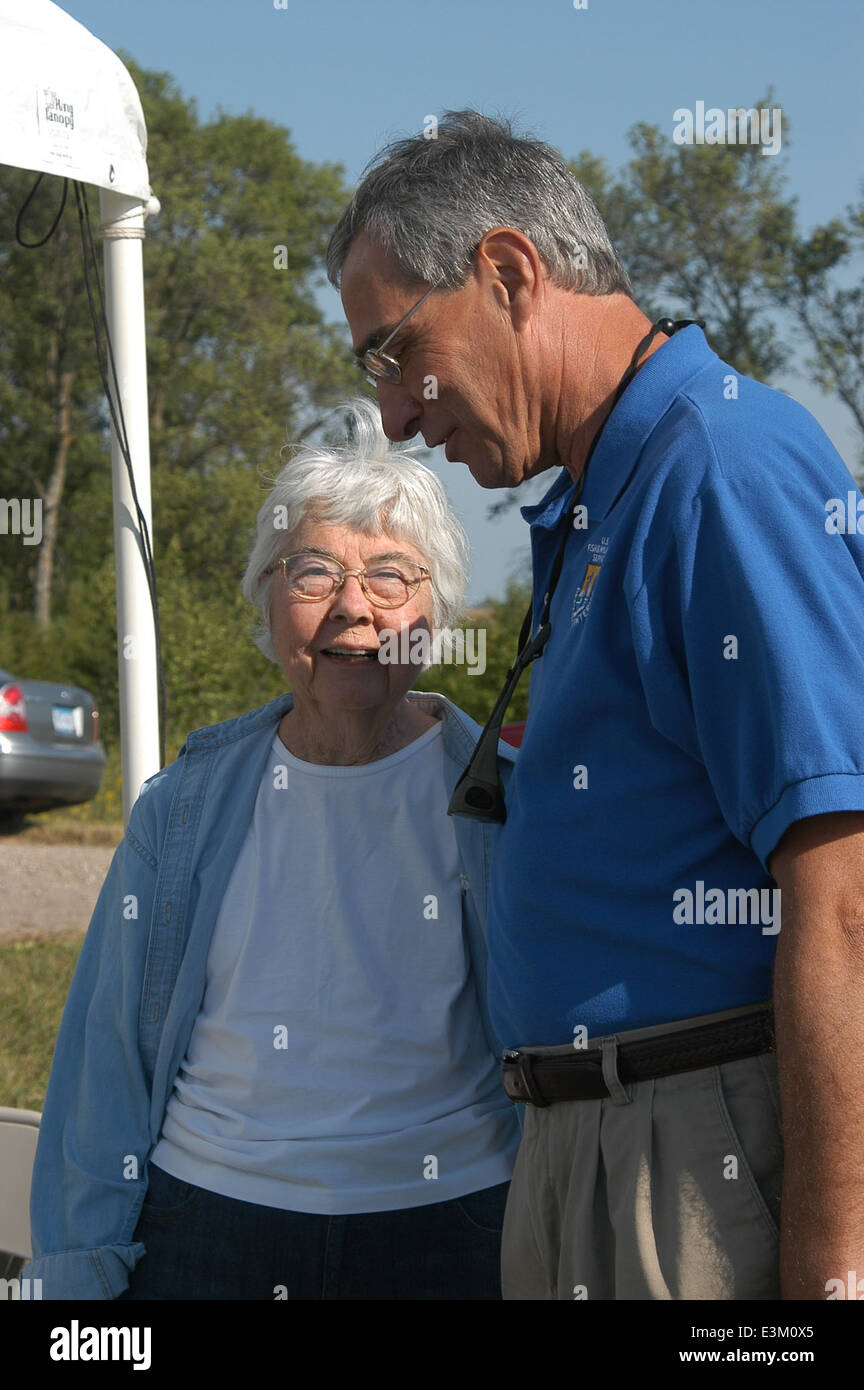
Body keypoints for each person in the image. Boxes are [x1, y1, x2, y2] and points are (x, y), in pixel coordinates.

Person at [327, 109, 864, 1301]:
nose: (398, 418)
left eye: (394, 352)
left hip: (691, 1158)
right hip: (600, 1149)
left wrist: (833, 1270)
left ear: (510, 272)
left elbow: (845, 894)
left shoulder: (720, 468)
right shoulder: (606, 490)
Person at [21, 397, 521, 1300]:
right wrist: (75, 1280)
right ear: (266, 597)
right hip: (208, 1230)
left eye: (391, 578)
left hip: (451, 1230)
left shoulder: (501, 799)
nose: (351, 610)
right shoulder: (181, 809)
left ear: (437, 612)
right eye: (314, 573)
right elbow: (103, 1062)